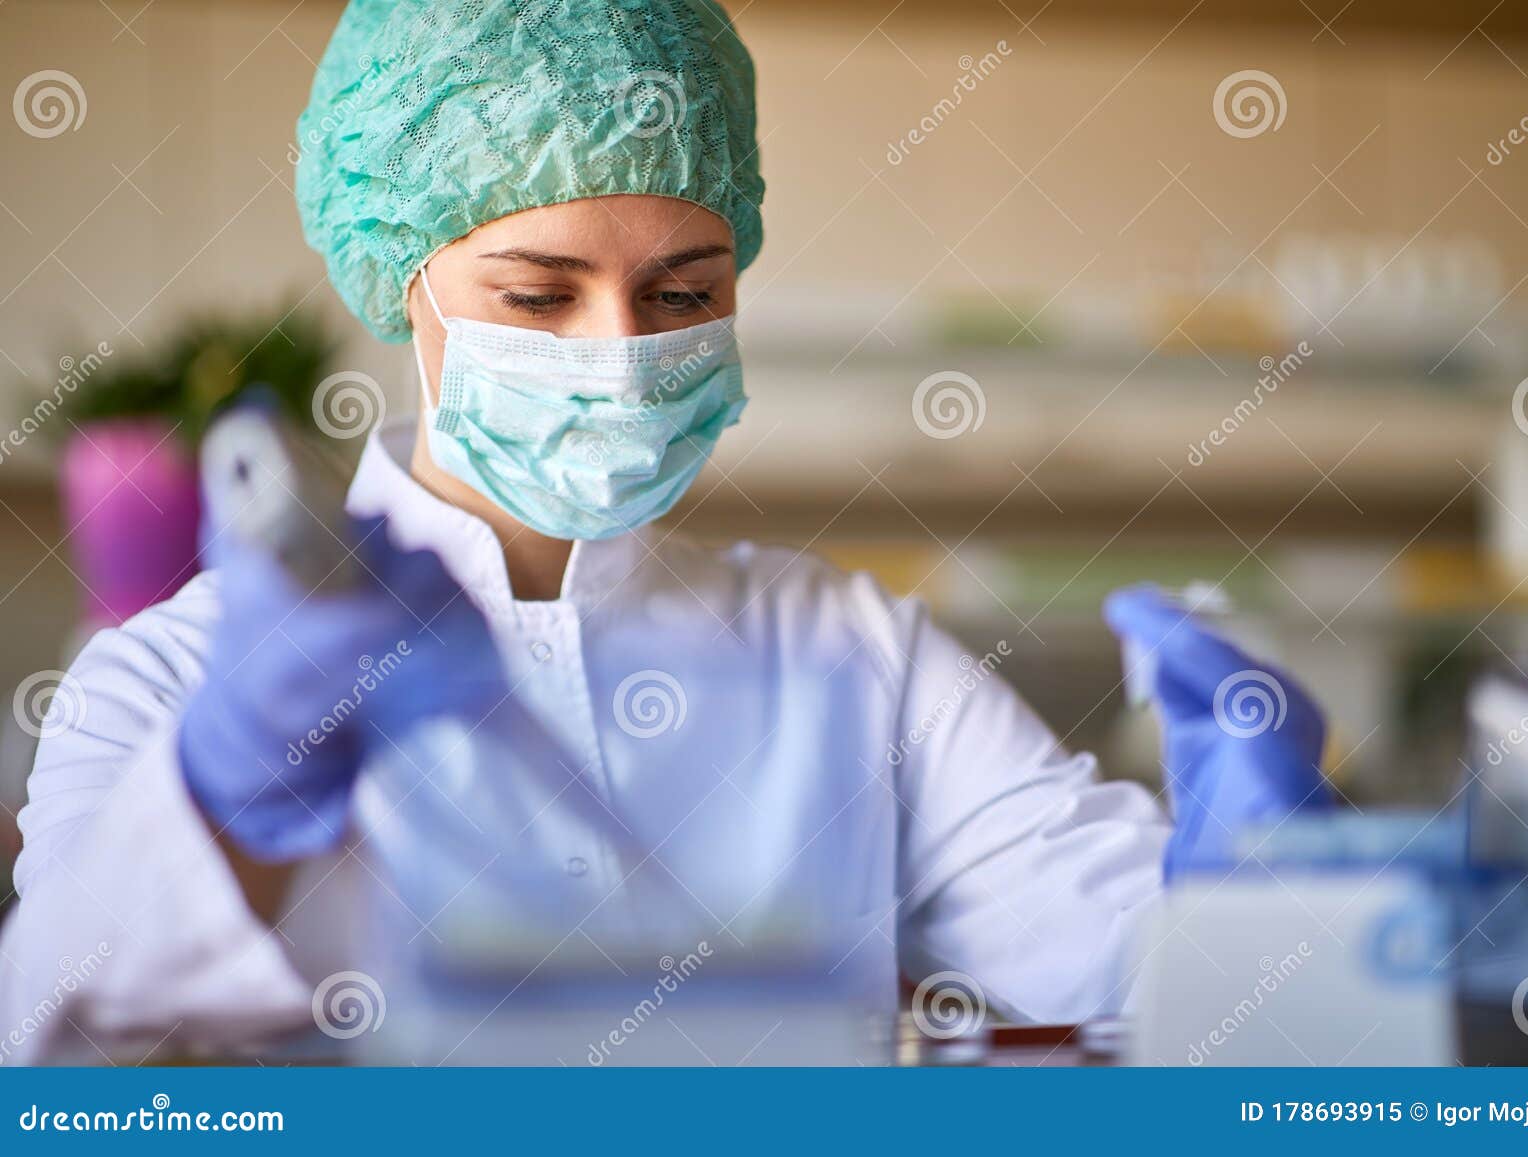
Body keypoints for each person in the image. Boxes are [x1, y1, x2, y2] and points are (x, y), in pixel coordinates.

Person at [0, 0, 1327, 1065]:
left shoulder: (843, 645)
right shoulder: (175, 681)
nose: (624, 355)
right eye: (538, 293)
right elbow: (50, 1061)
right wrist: (224, 811)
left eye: (684, 291)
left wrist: (1259, 901)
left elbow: (1173, 997)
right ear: (406, 284)